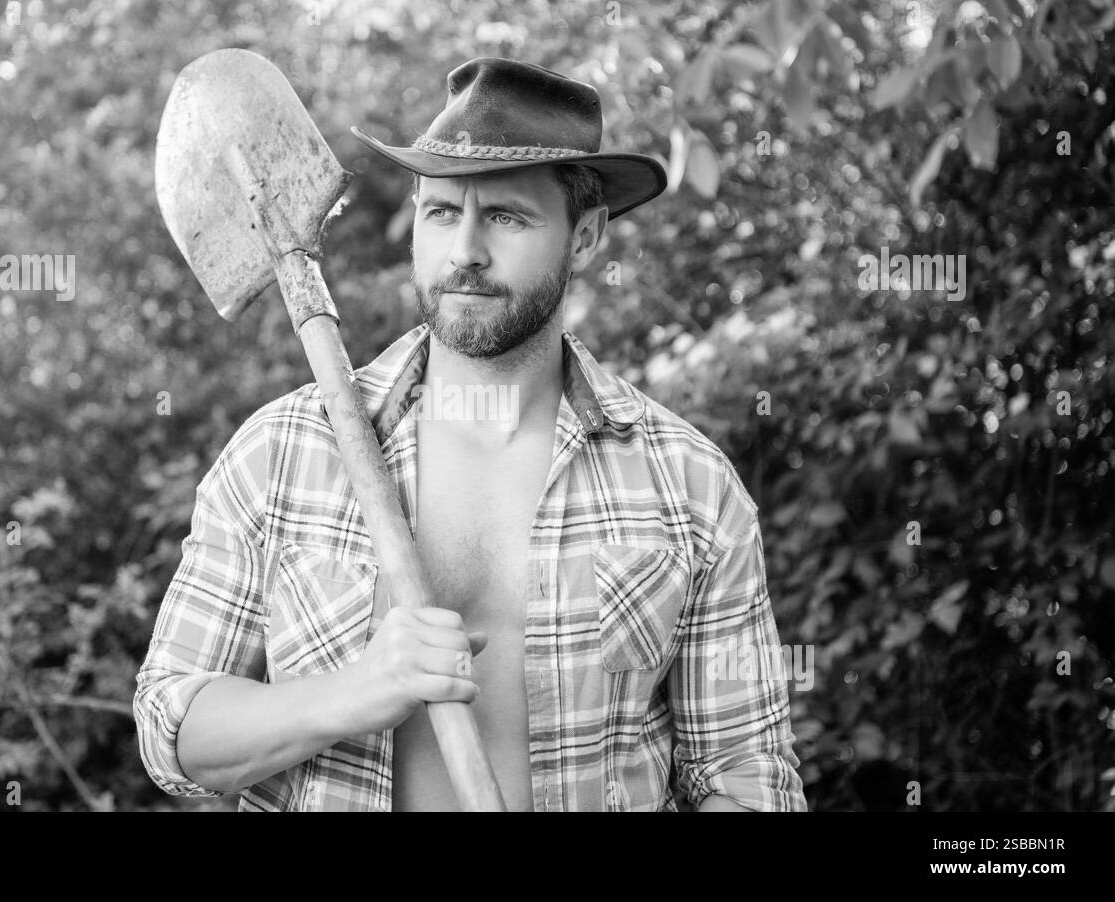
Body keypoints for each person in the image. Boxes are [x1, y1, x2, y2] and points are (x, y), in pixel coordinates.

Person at [134, 56, 808, 812]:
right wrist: (353, 692)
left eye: (507, 217)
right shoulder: (281, 453)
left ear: (584, 238)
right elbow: (172, 727)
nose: (465, 253)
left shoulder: (689, 486)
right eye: (443, 212)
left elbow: (748, 781)